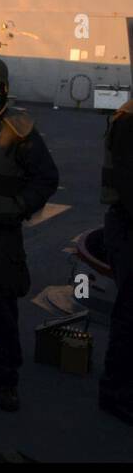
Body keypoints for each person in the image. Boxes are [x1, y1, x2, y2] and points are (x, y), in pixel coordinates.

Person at [0, 54, 59, 412]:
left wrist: (19, 205)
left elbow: (46, 178)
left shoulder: (21, 130)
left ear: (3, 88)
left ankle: (5, 380)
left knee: (0, 313)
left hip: (0, 236)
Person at [99, 97, 133, 425]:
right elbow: (127, 182)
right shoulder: (127, 122)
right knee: (129, 315)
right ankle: (115, 393)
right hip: (127, 227)